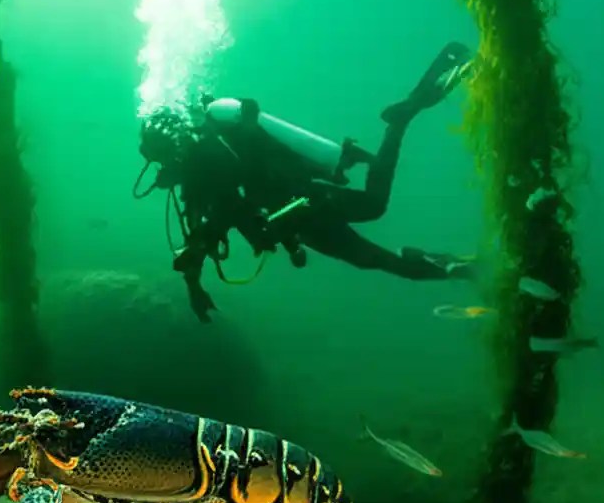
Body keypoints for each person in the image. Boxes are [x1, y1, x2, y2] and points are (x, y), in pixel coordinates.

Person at [136, 42, 477, 323]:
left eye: (165, 158)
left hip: (305, 205)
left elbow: (207, 226)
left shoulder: (203, 160)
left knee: (375, 232)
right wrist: (194, 286)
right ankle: (450, 266)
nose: (168, 167)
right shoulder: (200, 165)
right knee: (375, 247)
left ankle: (399, 121)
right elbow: (199, 237)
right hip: (298, 217)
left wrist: (195, 286)